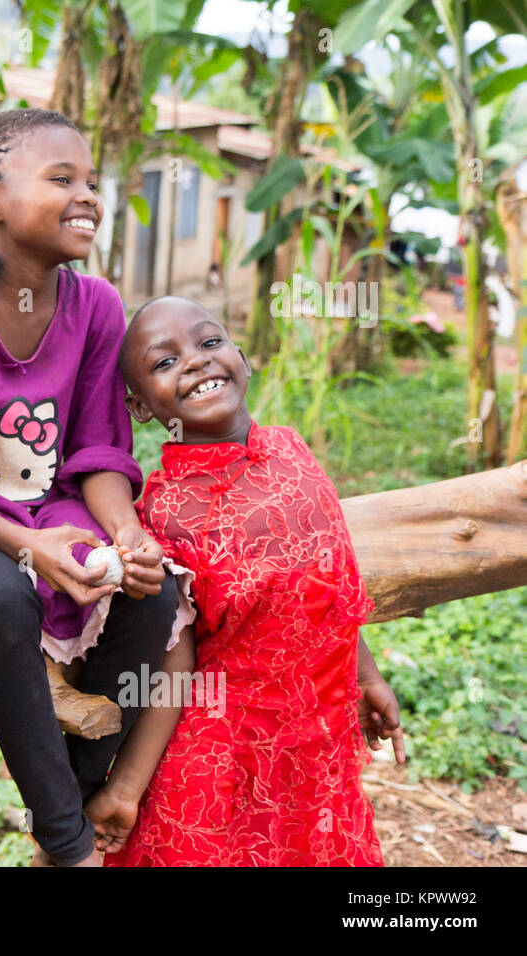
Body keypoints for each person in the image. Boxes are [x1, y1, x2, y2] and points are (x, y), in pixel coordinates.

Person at [0, 109, 193, 868]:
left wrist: (125, 536)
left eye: (92, 181)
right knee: (0, 598)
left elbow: (96, 451)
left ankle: (82, 798)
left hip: (57, 508)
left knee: (149, 593)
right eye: (62, 179)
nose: (88, 195)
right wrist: (27, 545)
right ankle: (69, 844)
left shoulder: (96, 306)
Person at [93, 295, 405, 866]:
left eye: (210, 343)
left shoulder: (293, 449)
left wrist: (369, 676)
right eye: (165, 363)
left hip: (316, 741)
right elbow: (175, 660)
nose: (195, 362)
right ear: (139, 406)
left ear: (242, 356)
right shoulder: (165, 514)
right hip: (225, 757)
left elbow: (323, 589)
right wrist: (125, 789)